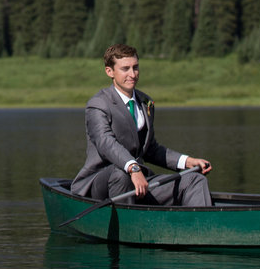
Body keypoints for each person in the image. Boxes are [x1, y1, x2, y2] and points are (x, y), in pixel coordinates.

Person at [71, 43, 213, 206]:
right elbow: (105, 143)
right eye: (125, 69)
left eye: (135, 67)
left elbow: (150, 149)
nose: (132, 74)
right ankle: (128, 228)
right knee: (121, 173)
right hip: (101, 184)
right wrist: (133, 168)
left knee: (194, 179)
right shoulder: (97, 104)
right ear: (109, 71)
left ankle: (202, 228)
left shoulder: (146, 102)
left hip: (138, 181)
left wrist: (187, 162)